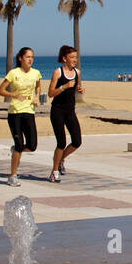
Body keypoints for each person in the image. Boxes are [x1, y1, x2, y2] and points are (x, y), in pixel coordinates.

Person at [0, 47, 42, 187]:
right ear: (20, 58)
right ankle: (12, 176)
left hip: (29, 112)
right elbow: (0, 91)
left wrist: (37, 98)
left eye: (32, 57)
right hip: (15, 112)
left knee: (32, 146)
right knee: (19, 144)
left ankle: (16, 150)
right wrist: (14, 95)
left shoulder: (36, 73)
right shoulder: (13, 73)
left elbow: (38, 87)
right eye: (28, 57)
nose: (30, 59)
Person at [48, 45, 83, 182]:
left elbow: (76, 86)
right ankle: (54, 171)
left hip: (70, 110)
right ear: (64, 58)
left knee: (77, 141)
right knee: (61, 142)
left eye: (76, 57)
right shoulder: (58, 72)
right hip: (57, 110)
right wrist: (64, 87)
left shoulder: (77, 72)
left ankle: (61, 159)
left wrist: (78, 89)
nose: (75, 59)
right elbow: (51, 93)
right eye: (72, 57)